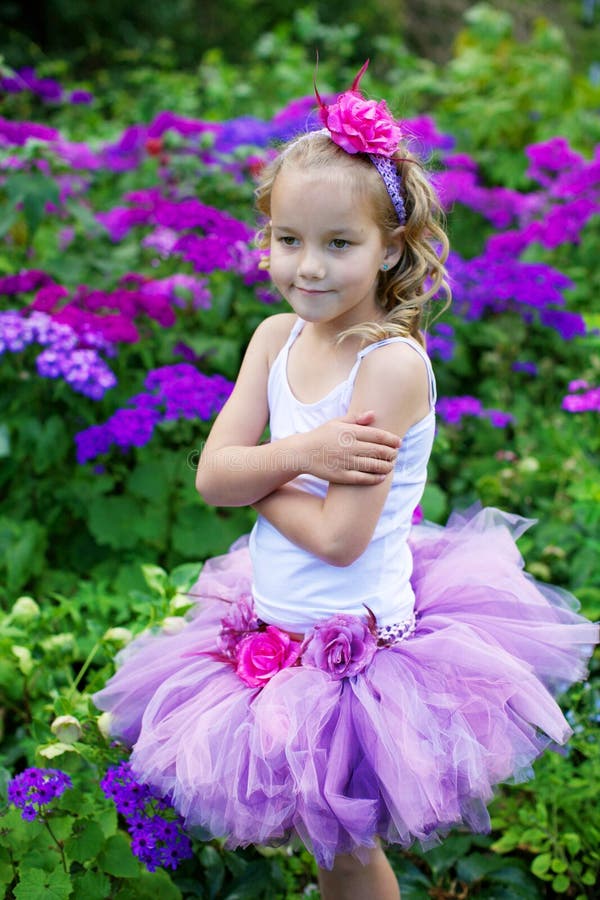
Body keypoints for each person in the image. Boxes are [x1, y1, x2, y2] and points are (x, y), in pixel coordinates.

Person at [94, 63, 598, 900]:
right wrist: (299, 456)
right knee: (327, 848)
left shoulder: (389, 366)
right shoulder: (273, 338)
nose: (309, 268)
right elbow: (211, 479)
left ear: (390, 247)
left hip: (358, 656)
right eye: (288, 241)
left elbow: (335, 536)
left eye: (339, 244)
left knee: (350, 847)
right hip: (271, 630)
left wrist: (250, 477)